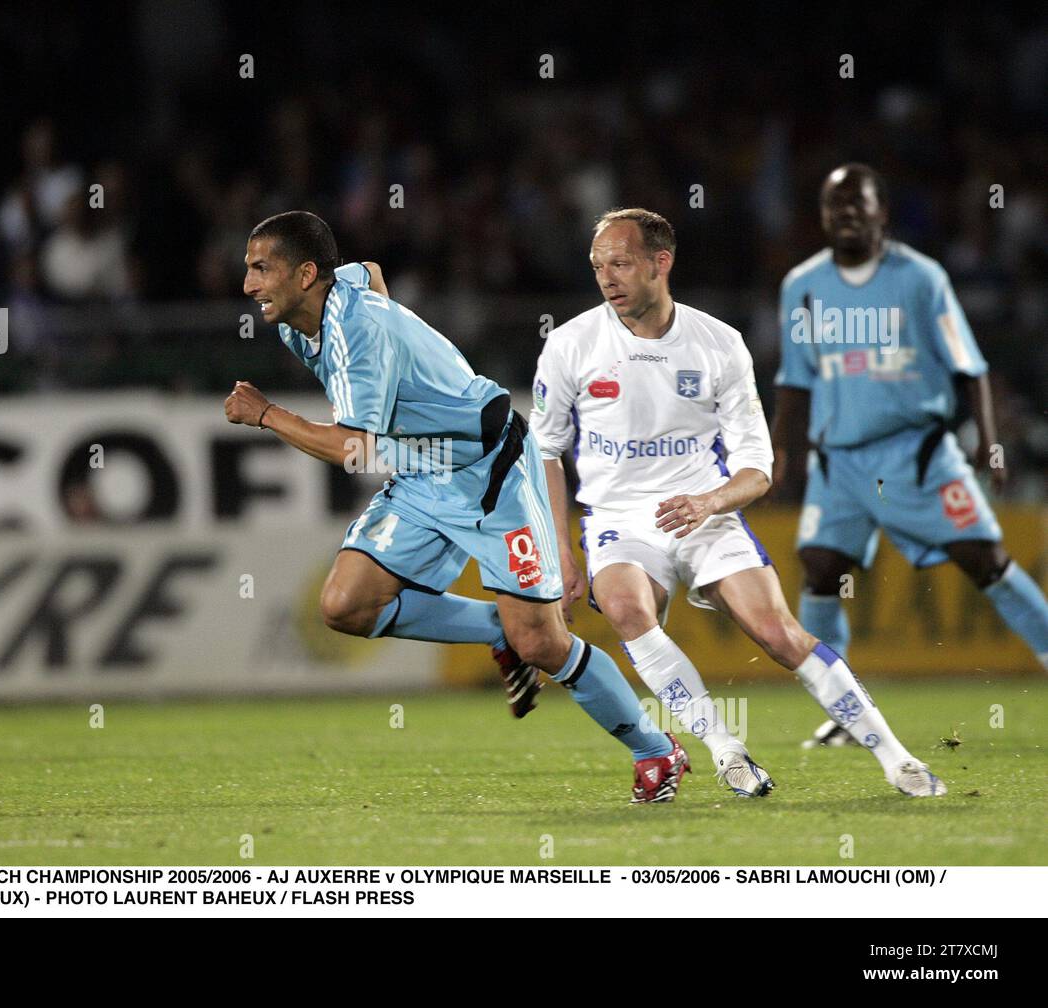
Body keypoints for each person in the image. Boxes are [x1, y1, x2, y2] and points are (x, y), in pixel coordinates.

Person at [227, 210, 688, 804]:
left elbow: (354, 449)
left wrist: (268, 416)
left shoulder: (355, 331)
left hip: (490, 469)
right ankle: (499, 628)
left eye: (261, 269)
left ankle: (656, 751)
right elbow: (368, 270)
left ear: (306, 272)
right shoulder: (317, 304)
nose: (248, 285)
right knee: (346, 605)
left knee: (544, 644)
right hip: (423, 473)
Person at [532, 207, 945, 797]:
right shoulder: (571, 344)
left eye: (620, 263)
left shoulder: (719, 344)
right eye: (598, 266)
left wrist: (709, 502)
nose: (607, 278)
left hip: (707, 512)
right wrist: (560, 557)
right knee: (626, 610)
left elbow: (760, 469)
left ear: (660, 262)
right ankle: (727, 752)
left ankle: (897, 759)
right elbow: (544, 451)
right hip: (618, 522)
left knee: (778, 634)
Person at [771, 164, 1048, 747]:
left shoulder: (922, 279)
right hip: (838, 460)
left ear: (882, 212)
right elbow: (795, 378)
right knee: (820, 570)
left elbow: (969, 367)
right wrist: (779, 449)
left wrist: (991, 441)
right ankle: (848, 710)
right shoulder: (802, 285)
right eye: (833, 206)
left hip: (915, 453)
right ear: (821, 217)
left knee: (985, 559)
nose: (845, 214)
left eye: (857, 204)